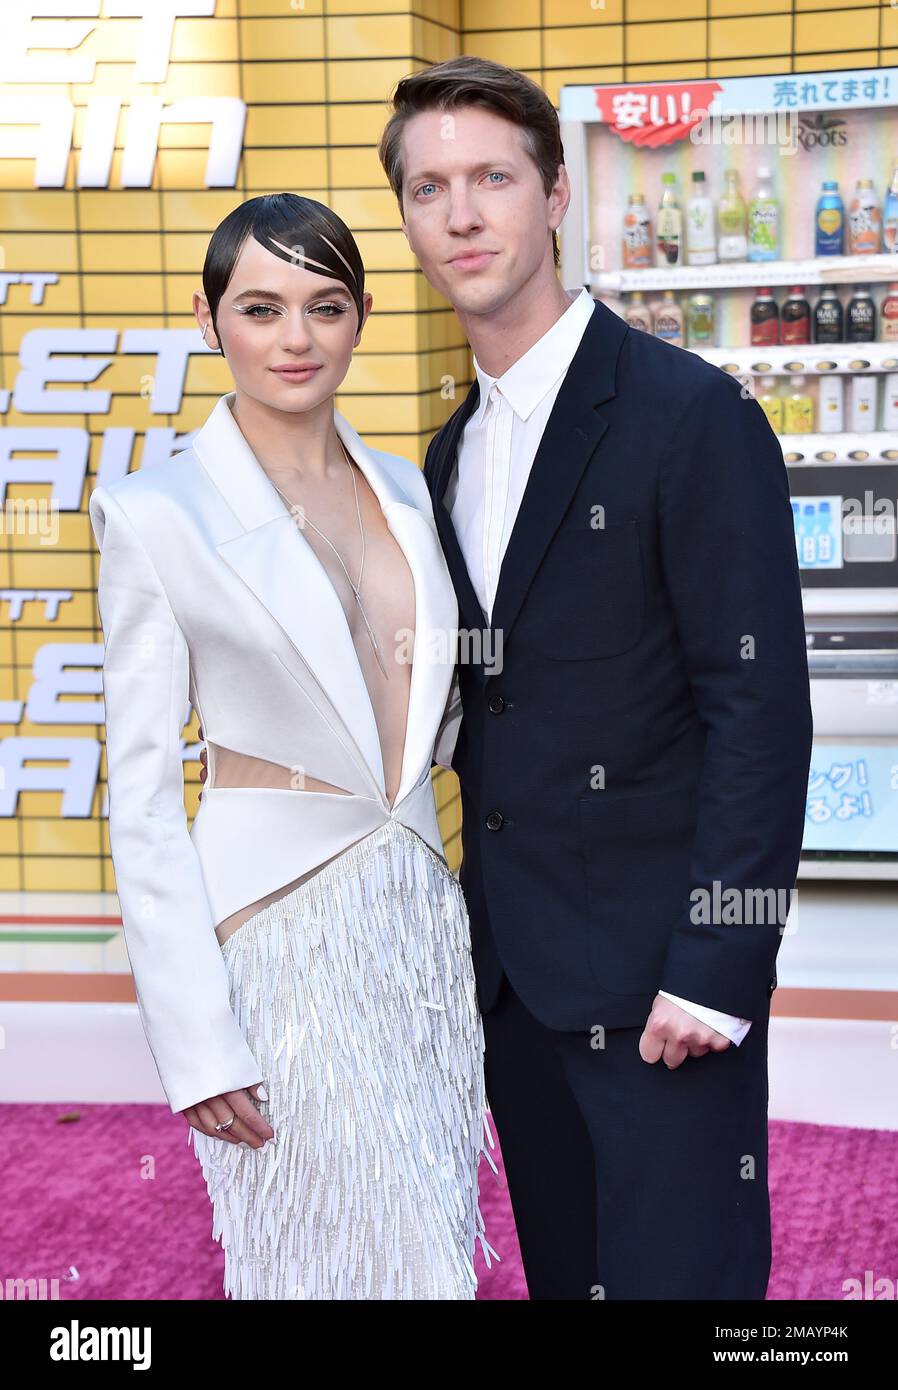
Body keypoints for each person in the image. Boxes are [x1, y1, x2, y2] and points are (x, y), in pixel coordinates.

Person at [375, 56, 814, 1300]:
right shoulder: (447, 450)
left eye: (492, 178)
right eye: (428, 187)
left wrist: (717, 969)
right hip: (516, 978)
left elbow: (759, 709)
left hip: (663, 980)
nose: (461, 214)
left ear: (555, 193)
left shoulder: (691, 414)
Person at [89, 193, 497, 1300]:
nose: (296, 338)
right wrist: (195, 1037)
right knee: (323, 1250)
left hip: (414, 935)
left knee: (432, 1236)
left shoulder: (409, 489)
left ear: (362, 315)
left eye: (325, 306)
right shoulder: (153, 513)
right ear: (208, 315)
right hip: (273, 937)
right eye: (261, 307)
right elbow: (138, 795)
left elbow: (436, 721)